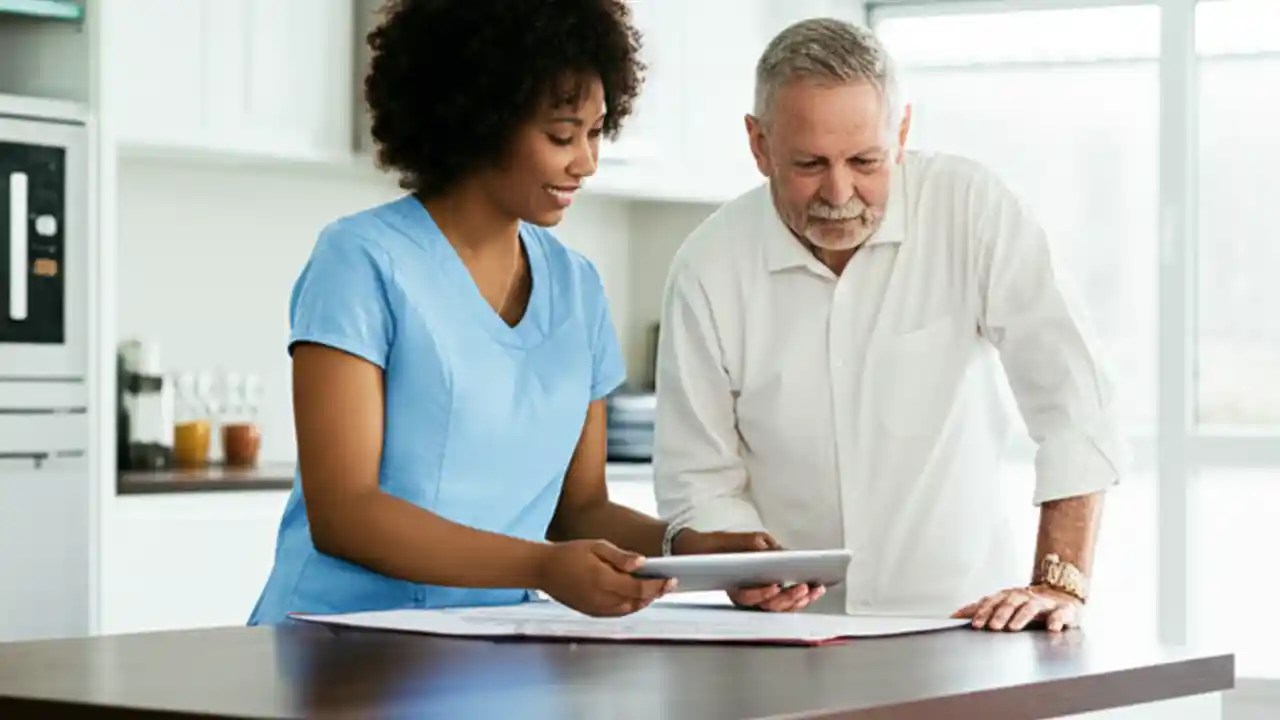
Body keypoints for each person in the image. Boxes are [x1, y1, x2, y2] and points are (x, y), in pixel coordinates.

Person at [248, 0, 771, 625]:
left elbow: (578, 509)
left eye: (596, 132)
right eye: (561, 135)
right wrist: (541, 568)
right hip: (338, 649)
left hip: (486, 647)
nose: (586, 161)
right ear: (482, 119)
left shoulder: (576, 287)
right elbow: (345, 513)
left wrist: (694, 554)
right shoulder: (360, 261)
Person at [653, 18, 1130, 631]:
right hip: (790, 635)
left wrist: (1059, 584)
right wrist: (742, 569)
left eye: (865, 160)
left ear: (901, 131)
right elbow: (697, 475)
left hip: (966, 625)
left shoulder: (969, 208)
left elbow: (1076, 404)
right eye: (808, 164)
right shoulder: (707, 266)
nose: (840, 190)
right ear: (759, 144)